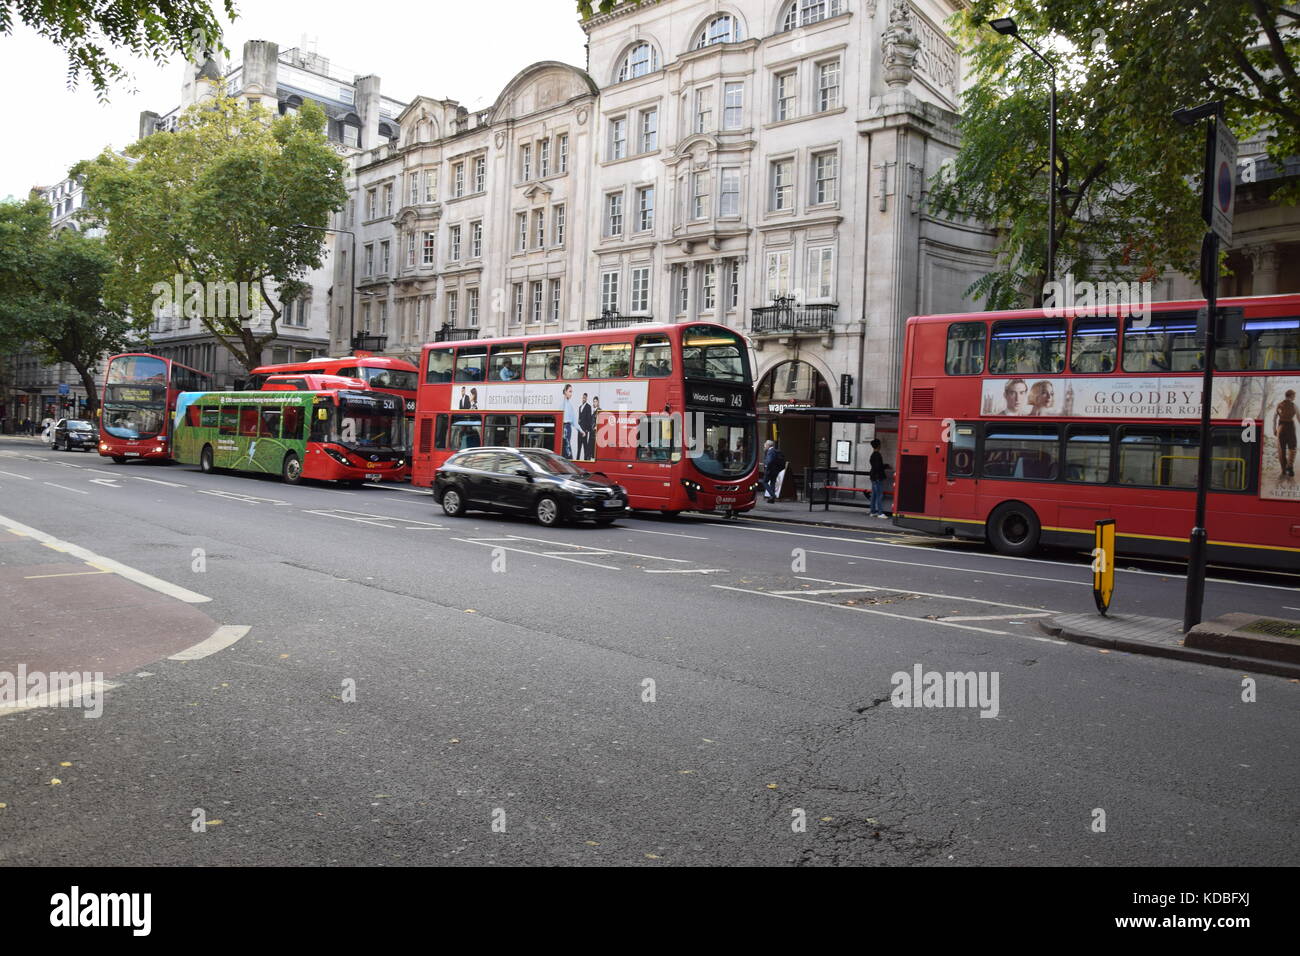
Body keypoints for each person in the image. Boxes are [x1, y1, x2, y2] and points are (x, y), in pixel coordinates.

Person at [1274, 388, 1297, 478]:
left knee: (1281, 450)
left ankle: (1283, 470)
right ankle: (1289, 466)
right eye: (1294, 396)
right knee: (1293, 447)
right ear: (1291, 396)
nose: (1294, 397)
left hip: (1281, 427)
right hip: (1290, 427)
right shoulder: (1294, 406)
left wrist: (1274, 429)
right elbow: (1299, 417)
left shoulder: (1279, 405)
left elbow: (1275, 418)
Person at [868, 438, 891, 517]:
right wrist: (886, 466)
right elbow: (878, 467)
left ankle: (872, 511)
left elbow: (875, 466)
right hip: (877, 478)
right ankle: (880, 513)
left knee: (874, 495)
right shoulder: (878, 455)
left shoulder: (873, 455)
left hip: (873, 477)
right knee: (879, 495)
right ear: (878, 446)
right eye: (880, 444)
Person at [562, 384, 577, 458]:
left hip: (568, 427)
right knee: (566, 445)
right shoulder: (563, 404)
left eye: (572, 392)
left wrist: (580, 430)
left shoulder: (570, 405)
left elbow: (574, 421)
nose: (571, 394)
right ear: (565, 392)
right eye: (570, 391)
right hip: (565, 427)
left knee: (567, 445)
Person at [577, 393, 594, 459]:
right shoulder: (580, 407)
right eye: (583, 397)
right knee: (579, 447)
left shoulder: (588, 407)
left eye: (585, 397)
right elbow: (579, 418)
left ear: (586, 398)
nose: (584, 398)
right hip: (579, 430)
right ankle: (577, 459)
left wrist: (587, 430)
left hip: (585, 430)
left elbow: (589, 419)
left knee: (585, 446)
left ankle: (585, 459)